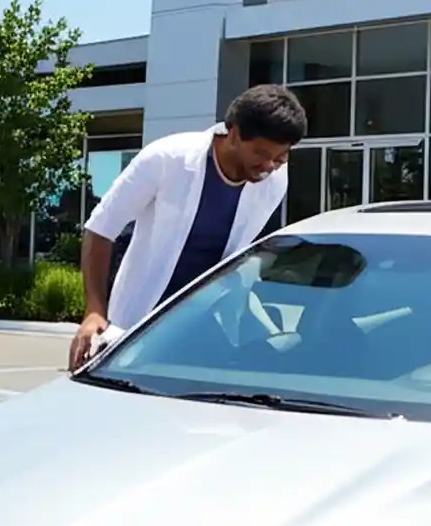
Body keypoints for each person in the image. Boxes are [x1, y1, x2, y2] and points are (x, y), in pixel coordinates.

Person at [67, 84, 308, 370]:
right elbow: (101, 227)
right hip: (139, 319)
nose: (269, 166)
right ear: (233, 133)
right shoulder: (166, 158)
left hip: (204, 326)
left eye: (280, 158)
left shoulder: (275, 181)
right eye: (261, 153)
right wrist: (95, 311)